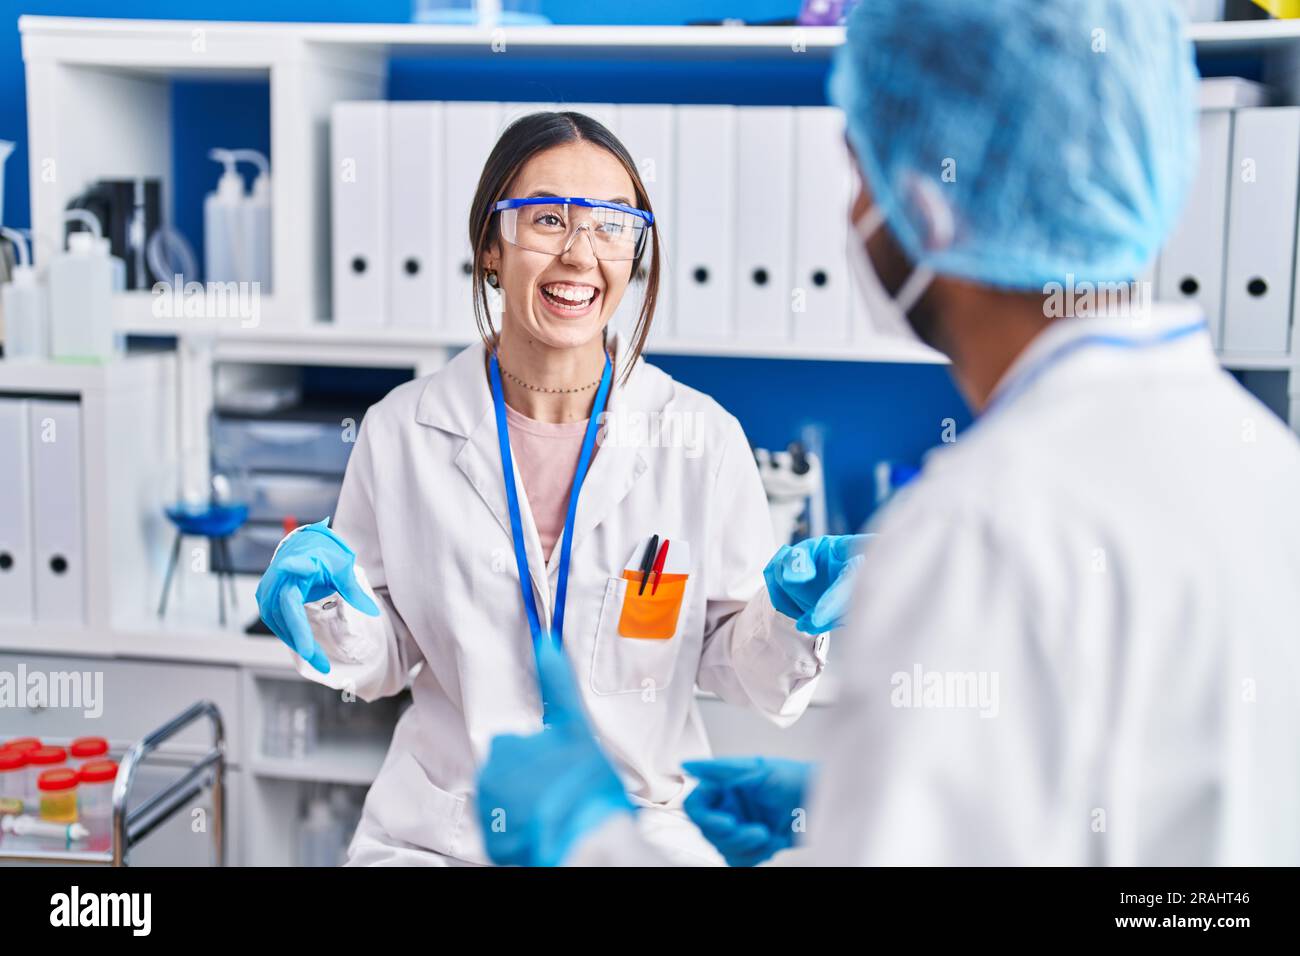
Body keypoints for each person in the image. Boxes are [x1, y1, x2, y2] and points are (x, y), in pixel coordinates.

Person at [474, 0, 1300, 866]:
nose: (855, 209)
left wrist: (586, 839)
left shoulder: (978, 528)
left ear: (928, 202)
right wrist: (845, 819)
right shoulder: (1265, 466)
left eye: (862, 166)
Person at [254, 110, 866, 865]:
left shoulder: (699, 437)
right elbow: (384, 656)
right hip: (445, 835)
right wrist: (327, 607)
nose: (580, 255)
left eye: (612, 226)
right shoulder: (403, 430)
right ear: (489, 248)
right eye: (546, 219)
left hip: (637, 827)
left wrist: (792, 615)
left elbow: (733, 663)